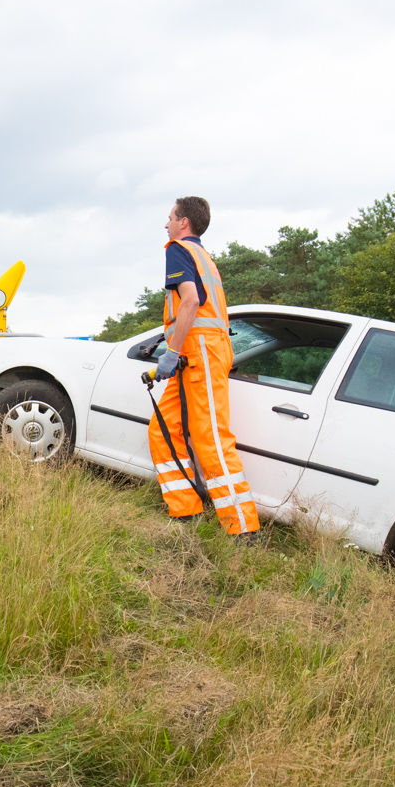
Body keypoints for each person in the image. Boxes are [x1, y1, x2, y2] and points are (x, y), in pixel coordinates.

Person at [146, 196, 261, 540]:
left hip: (200, 353)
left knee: (210, 437)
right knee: (162, 430)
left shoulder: (177, 248)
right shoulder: (204, 256)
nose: (165, 224)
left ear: (184, 223)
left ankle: (242, 528)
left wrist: (172, 351)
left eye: (169, 218)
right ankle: (186, 510)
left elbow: (192, 301)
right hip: (198, 354)